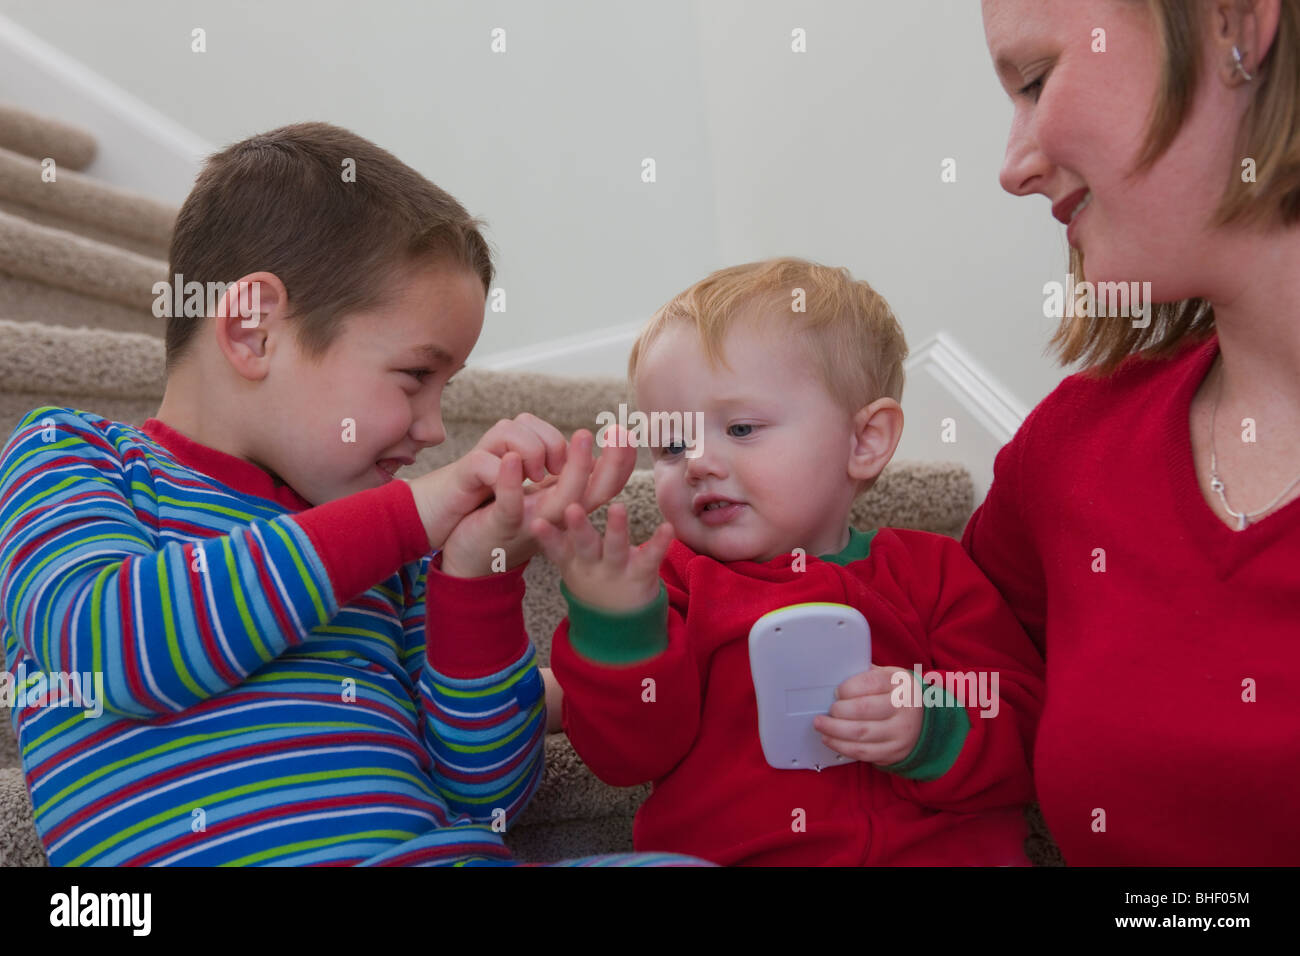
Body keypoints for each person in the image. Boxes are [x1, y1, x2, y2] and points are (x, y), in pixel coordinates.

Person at [0, 122, 696, 866]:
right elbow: (113, 652)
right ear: (252, 331)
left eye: (447, 388)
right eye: (415, 377)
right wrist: (409, 514)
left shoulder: (391, 558)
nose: (434, 429)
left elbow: (485, 795)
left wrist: (473, 580)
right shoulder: (70, 454)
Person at [539, 258, 1045, 865]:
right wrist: (617, 627)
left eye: (743, 427)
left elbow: (1026, 723)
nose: (697, 462)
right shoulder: (672, 585)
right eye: (671, 444)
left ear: (864, 441)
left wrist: (929, 721)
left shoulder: (933, 571)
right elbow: (626, 758)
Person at [967, 0, 1300, 864]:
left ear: (1233, 23)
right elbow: (920, 653)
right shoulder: (1070, 453)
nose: (1014, 168)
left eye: (1037, 81)